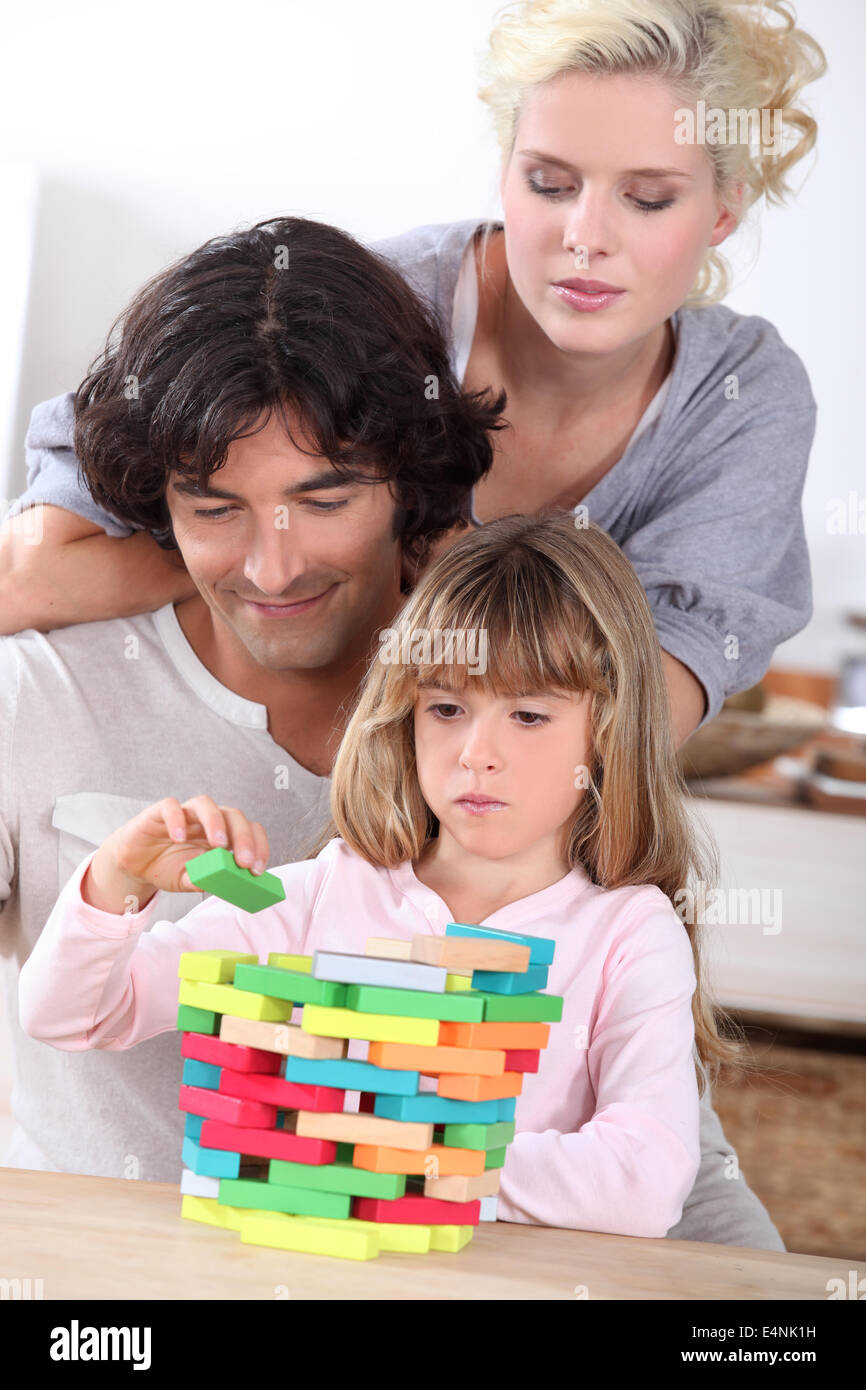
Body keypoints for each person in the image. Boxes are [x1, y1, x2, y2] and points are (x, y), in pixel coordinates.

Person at [0, 0, 828, 749]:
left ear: (723, 209)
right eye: (549, 183)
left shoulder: (743, 399)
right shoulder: (359, 305)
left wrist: (406, 564)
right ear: (506, 170)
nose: (584, 235)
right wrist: (333, 567)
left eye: (647, 198)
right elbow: (35, 571)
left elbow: (634, 718)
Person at [21, 513, 754, 1238]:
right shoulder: (324, 891)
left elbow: (644, 1184)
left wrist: (394, 1148)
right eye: (446, 708)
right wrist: (117, 879)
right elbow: (72, 1014)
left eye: (528, 716)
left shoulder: (629, 931)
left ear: (606, 731)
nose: (476, 752)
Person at [0, 214, 498, 1182]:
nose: (272, 568)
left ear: (407, 484)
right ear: (152, 506)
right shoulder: (34, 694)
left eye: (324, 501)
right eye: (214, 509)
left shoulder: (495, 723)